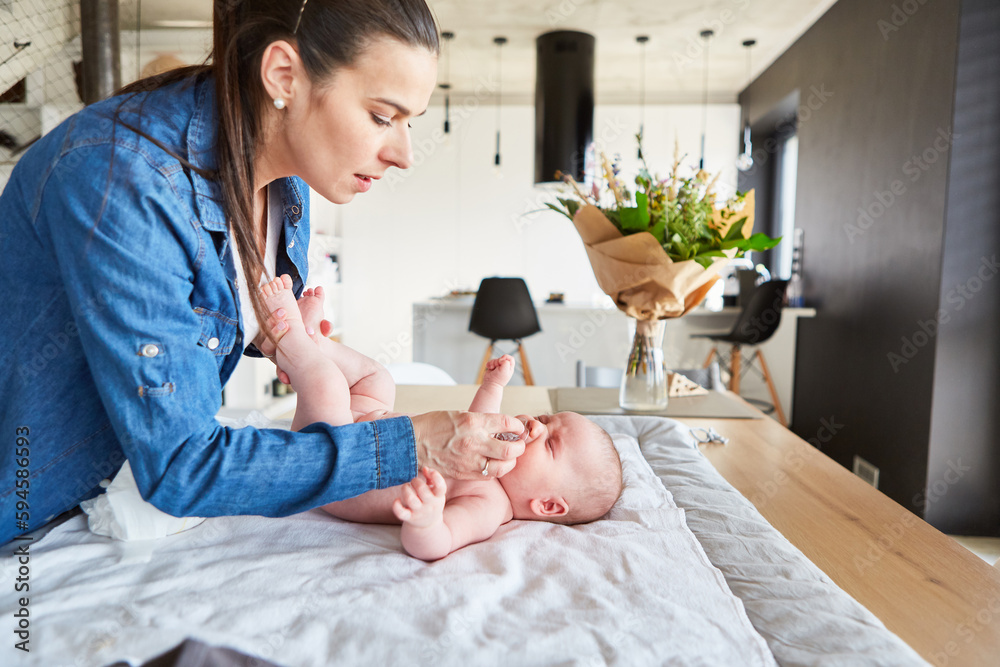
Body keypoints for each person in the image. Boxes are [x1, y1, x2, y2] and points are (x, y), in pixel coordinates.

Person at [0, 0, 524, 547]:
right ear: (283, 75)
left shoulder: (287, 190)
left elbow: (246, 337)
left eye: (410, 122)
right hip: (30, 510)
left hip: (94, 501)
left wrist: (306, 347)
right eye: (381, 116)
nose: (404, 154)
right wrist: (409, 444)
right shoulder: (122, 177)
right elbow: (183, 467)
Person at [256, 275, 624, 561]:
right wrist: (493, 384)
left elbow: (438, 543)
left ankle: (288, 336)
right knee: (379, 378)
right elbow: (476, 423)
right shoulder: (490, 457)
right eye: (546, 418)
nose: (537, 426)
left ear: (547, 505)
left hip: (334, 466)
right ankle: (317, 343)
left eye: (551, 443)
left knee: (330, 385)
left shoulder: (489, 504)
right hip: (366, 420)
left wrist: (427, 519)